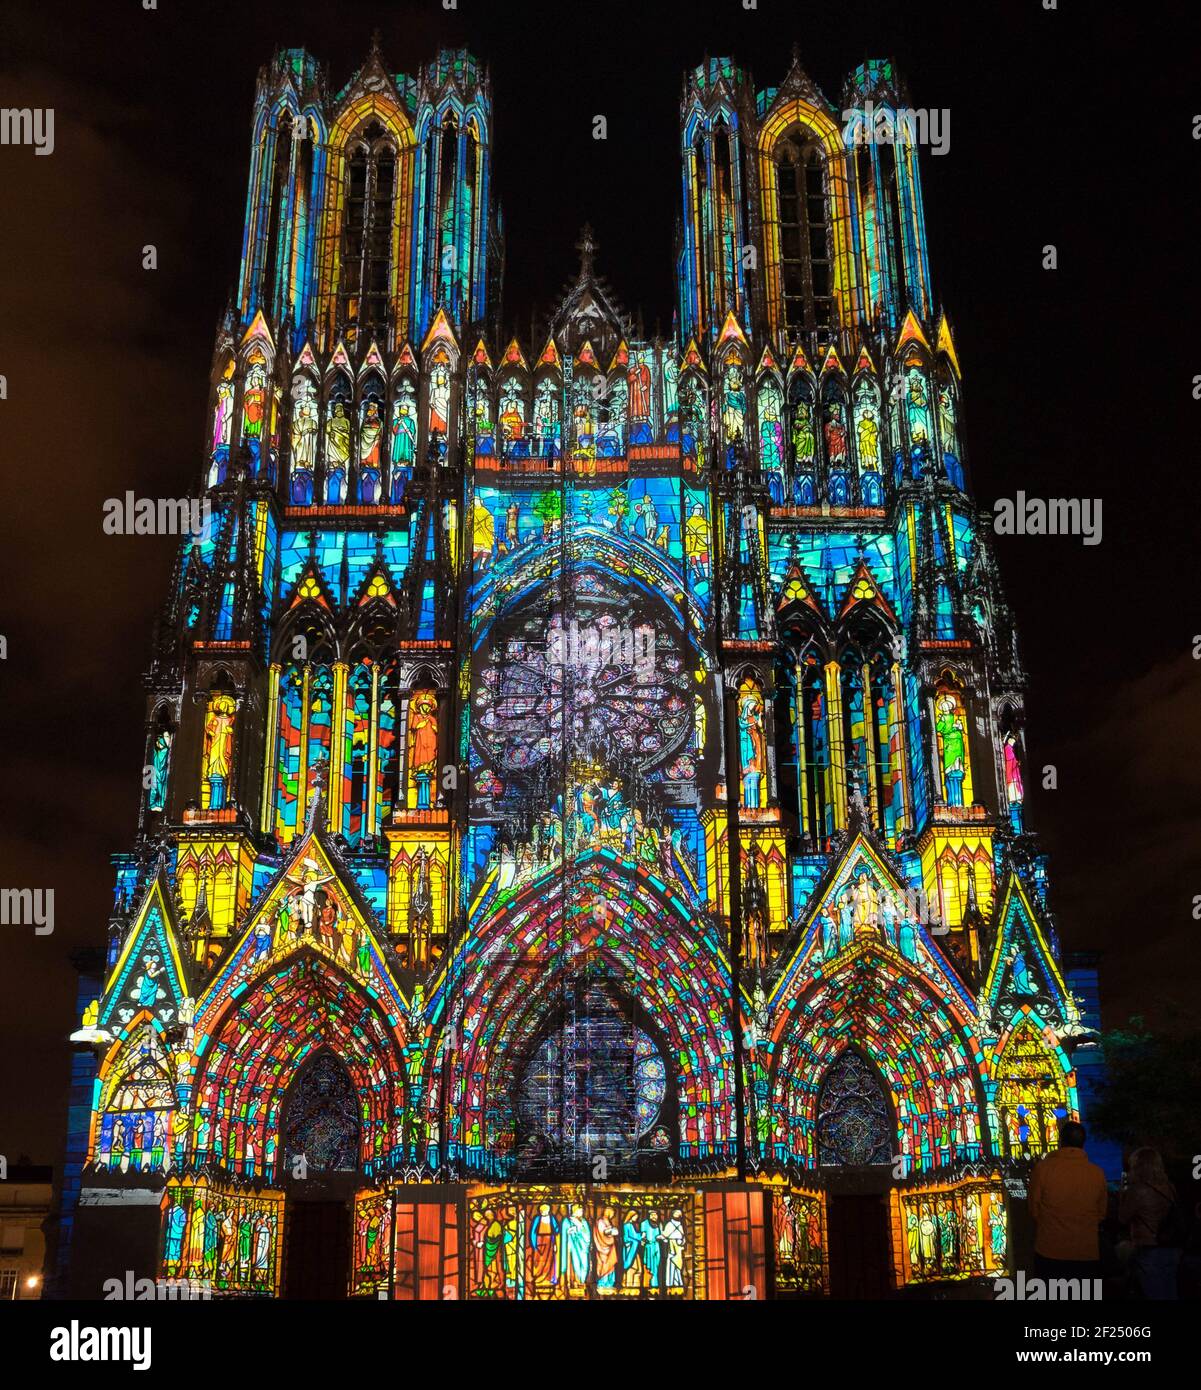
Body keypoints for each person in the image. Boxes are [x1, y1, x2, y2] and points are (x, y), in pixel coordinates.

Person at [1028, 1119, 1108, 1283]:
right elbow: (1102, 1213)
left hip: (1050, 1251)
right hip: (1086, 1252)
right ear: (1083, 1143)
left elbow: (1033, 1209)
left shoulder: (1043, 1169)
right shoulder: (1097, 1173)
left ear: (1060, 1141)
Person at [1119, 1146, 1181, 1300]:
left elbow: (1122, 1217)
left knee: (1154, 1293)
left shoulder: (1137, 1191)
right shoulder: (1170, 1188)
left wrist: (1122, 1194)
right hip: (1173, 1246)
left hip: (1149, 1247)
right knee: (1170, 1292)